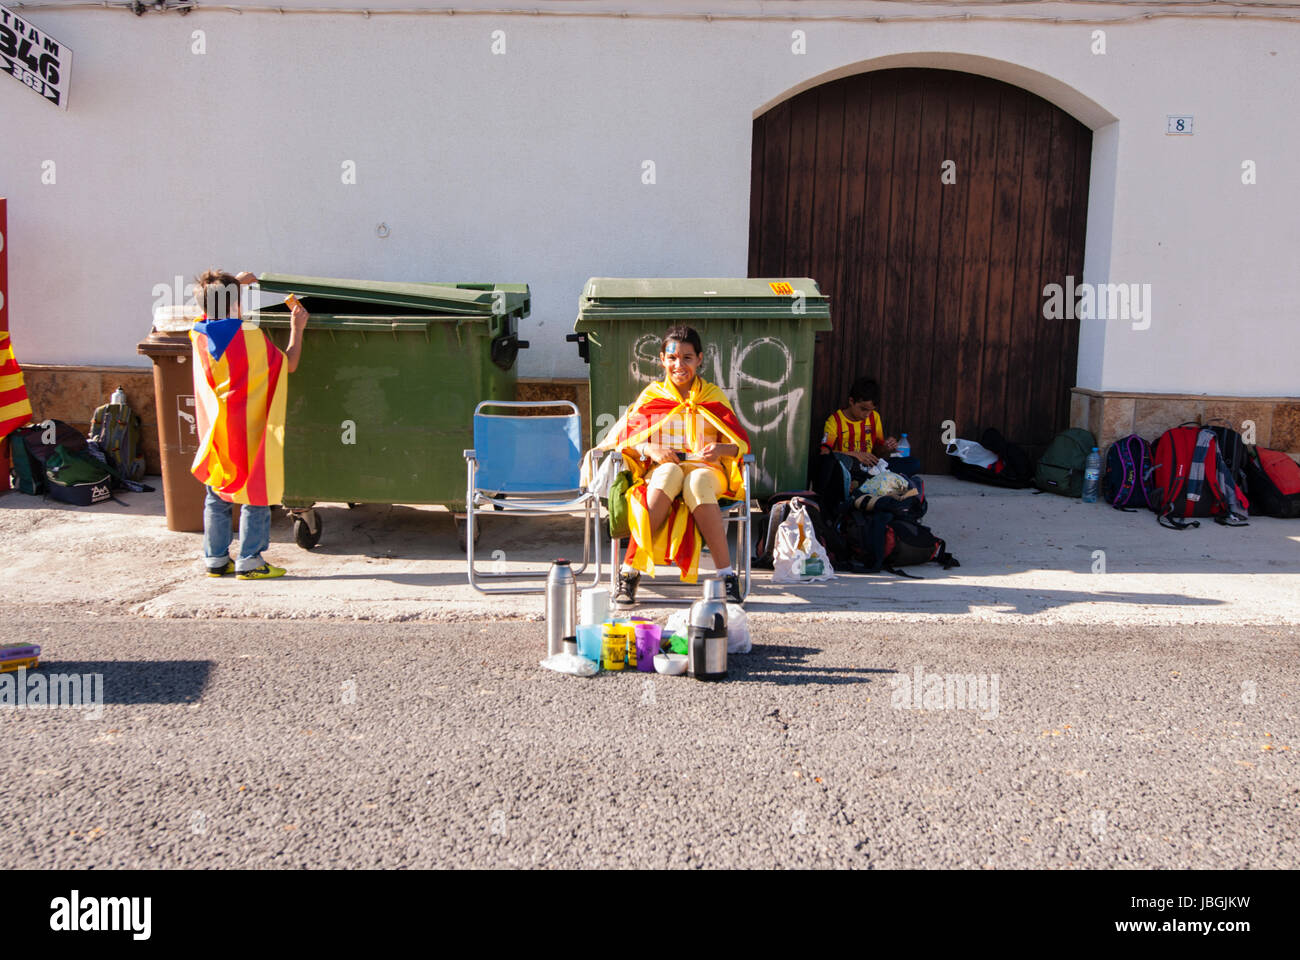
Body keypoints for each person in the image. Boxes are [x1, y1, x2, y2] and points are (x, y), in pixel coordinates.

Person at [606, 325, 750, 605]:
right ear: (662, 359)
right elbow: (625, 439)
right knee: (669, 473)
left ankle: (727, 577)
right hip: (663, 468)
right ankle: (629, 574)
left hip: (708, 471)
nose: (678, 364)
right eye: (672, 357)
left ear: (699, 359)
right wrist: (649, 448)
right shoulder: (652, 395)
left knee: (695, 482)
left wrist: (721, 448)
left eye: (687, 357)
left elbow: (740, 445)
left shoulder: (713, 396)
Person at [189, 270, 309, 579]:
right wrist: (297, 327)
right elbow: (289, 364)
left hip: (217, 432)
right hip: (248, 429)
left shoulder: (199, 334)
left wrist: (234, 287)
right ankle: (250, 561)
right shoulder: (250, 337)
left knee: (217, 494)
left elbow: (214, 310)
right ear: (235, 304)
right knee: (255, 492)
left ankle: (215, 559)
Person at [820, 376, 920, 497]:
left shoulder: (874, 417)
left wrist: (886, 447)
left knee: (914, 463)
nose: (866, 415)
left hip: (872, 468)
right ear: (851, 401)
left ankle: (870, 484)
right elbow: (824, 453)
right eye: (863, 409)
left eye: (870, 410)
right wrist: (855, 454)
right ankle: (873, 484)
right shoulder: (835, 421)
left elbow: (878, 453)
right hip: (851, 469)